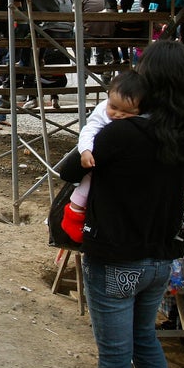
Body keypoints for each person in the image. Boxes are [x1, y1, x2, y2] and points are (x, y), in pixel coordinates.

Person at [81, 41, 184, 368]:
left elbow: (75, 165)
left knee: (116, 358)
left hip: (118, 259)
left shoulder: (122, 133)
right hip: (160, 262)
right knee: (146, 347)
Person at [59, 71, 145, 243]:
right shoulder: (102, 111)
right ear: (108, 97)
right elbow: (88, 131)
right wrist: (85, 151)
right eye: (113, 107)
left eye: (127, 111)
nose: (118, 114)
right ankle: (73, 214)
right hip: (95, 159)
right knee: (87, 182)